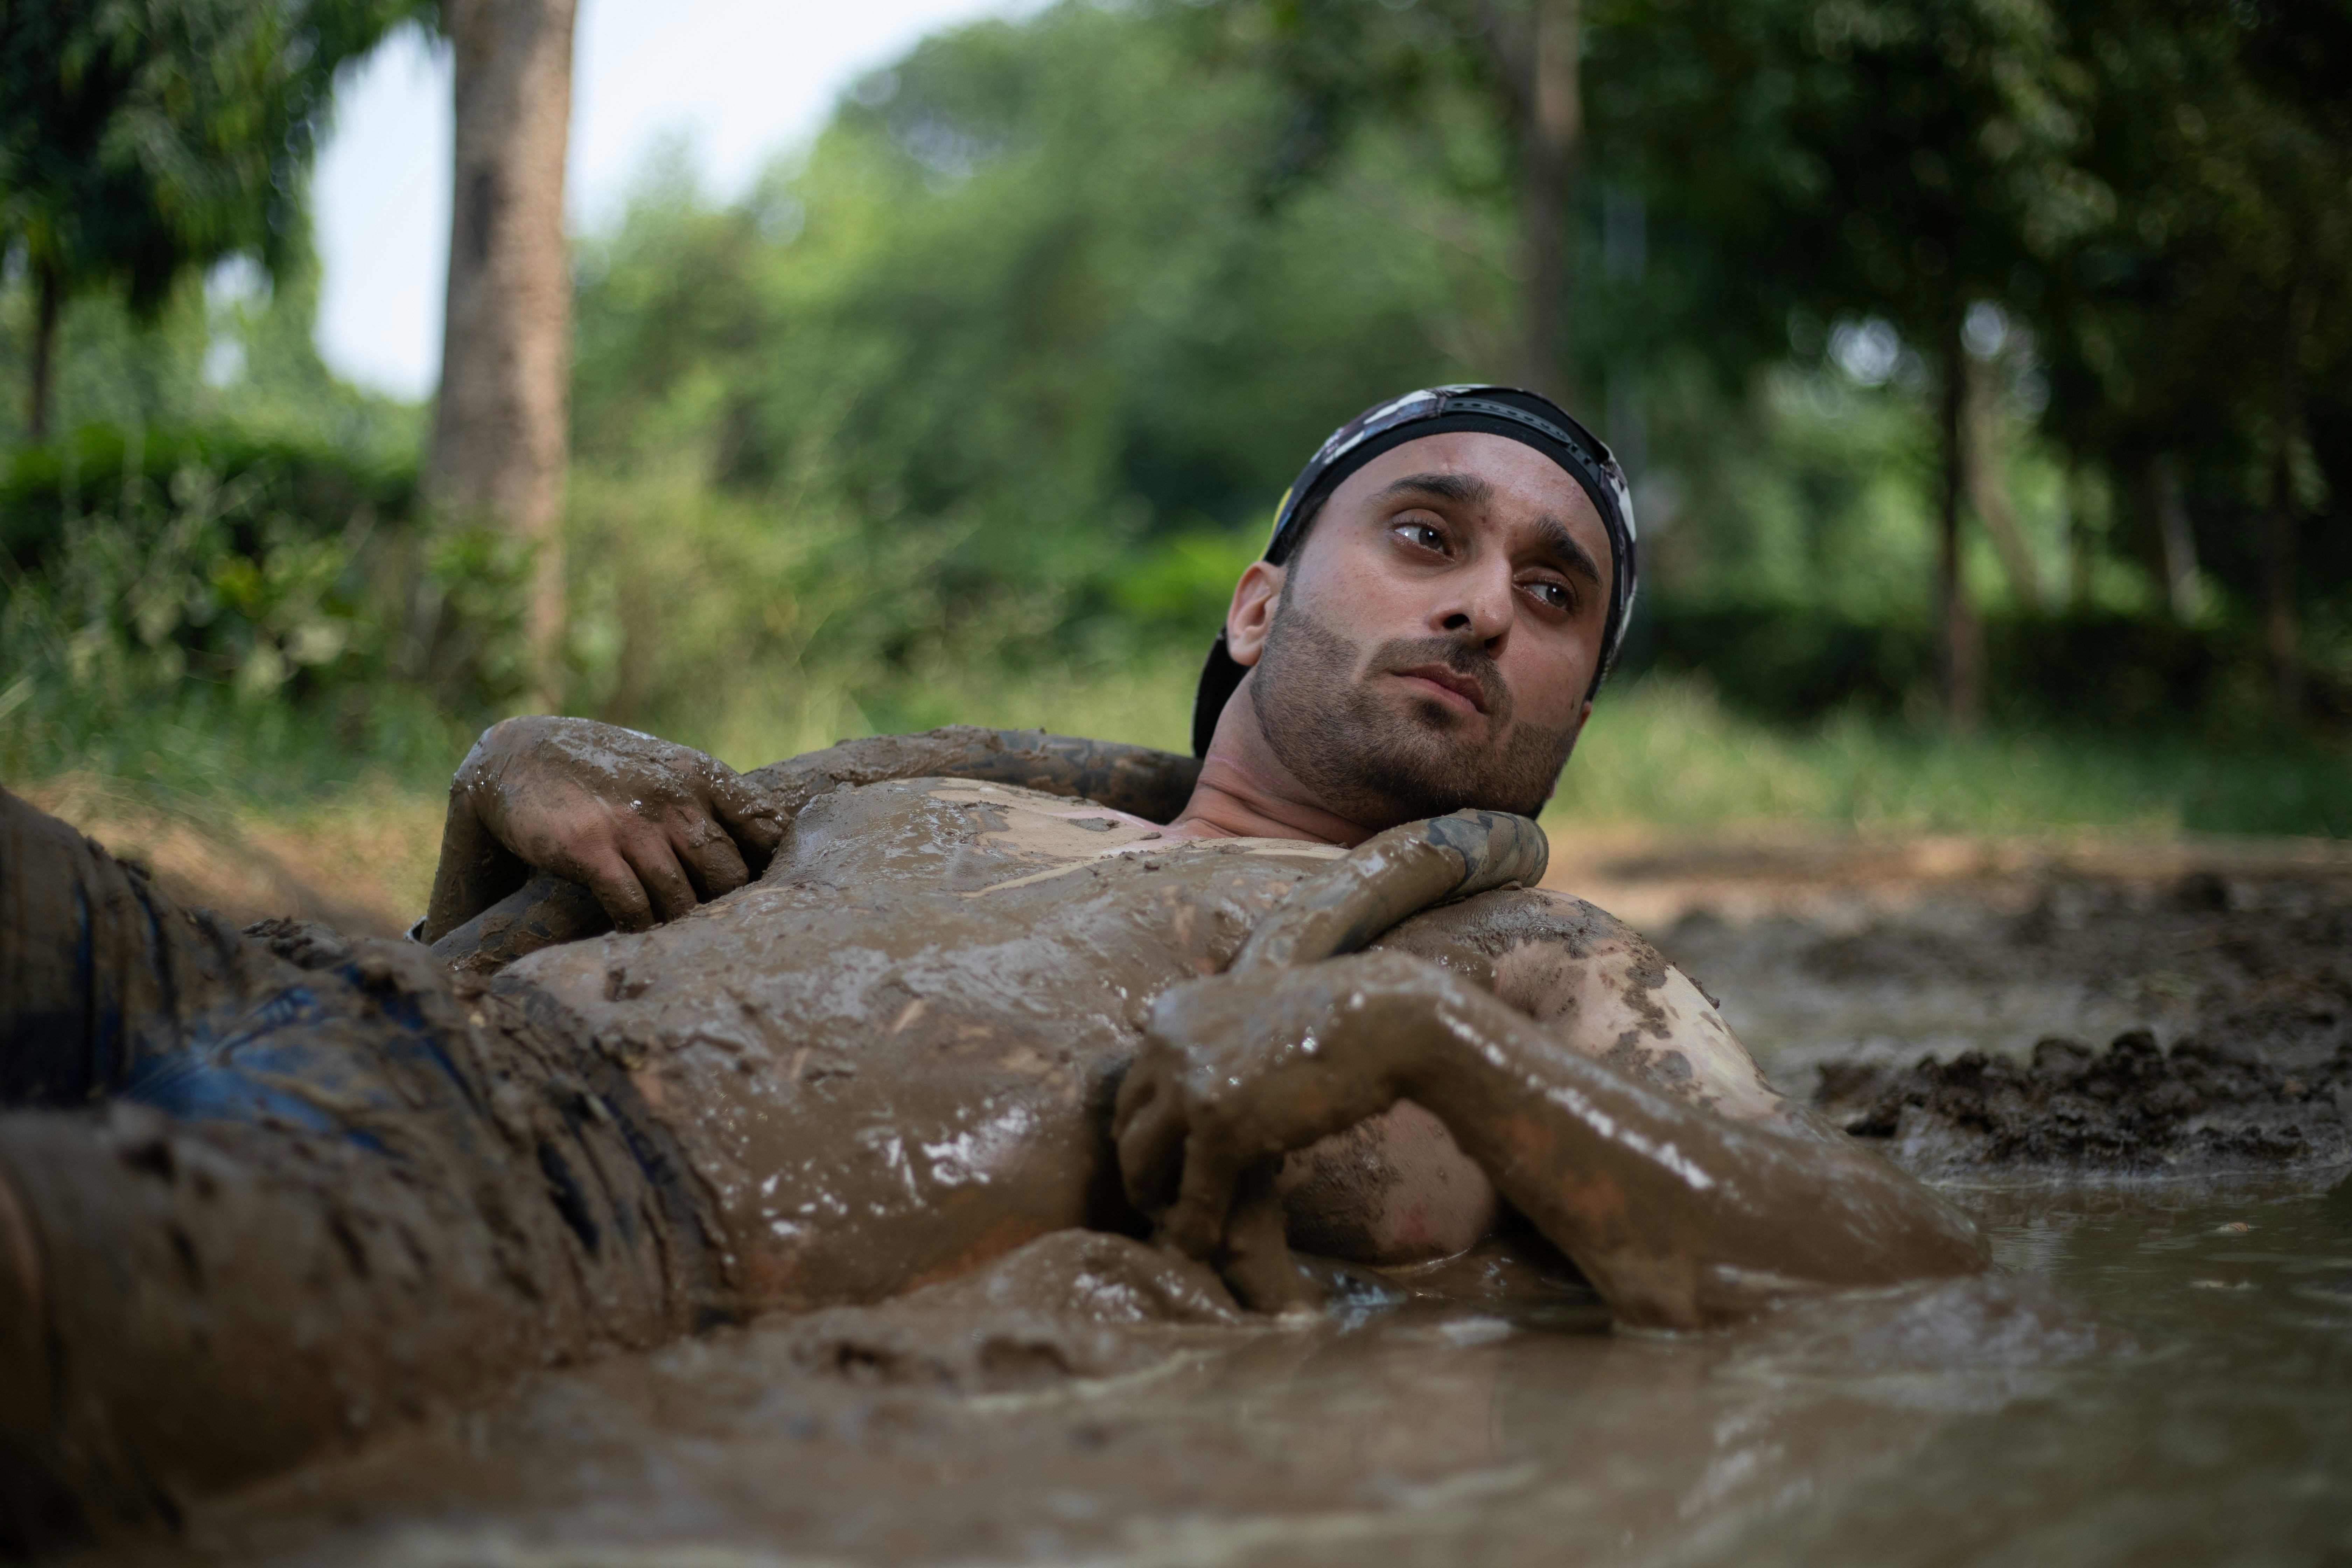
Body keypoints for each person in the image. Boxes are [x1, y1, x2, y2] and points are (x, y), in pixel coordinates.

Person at [0, 387, 1984, 1542]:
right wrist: (499, 782)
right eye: (1432, 536)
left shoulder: (1532, 968)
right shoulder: (944, 785)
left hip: (576, 1208)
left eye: (1555, 597)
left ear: (1570, 703)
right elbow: (489, 930)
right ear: (1262, 597)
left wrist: (1420, 1043)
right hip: (297, 995)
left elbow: (1889, 1254)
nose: (1485, 604)